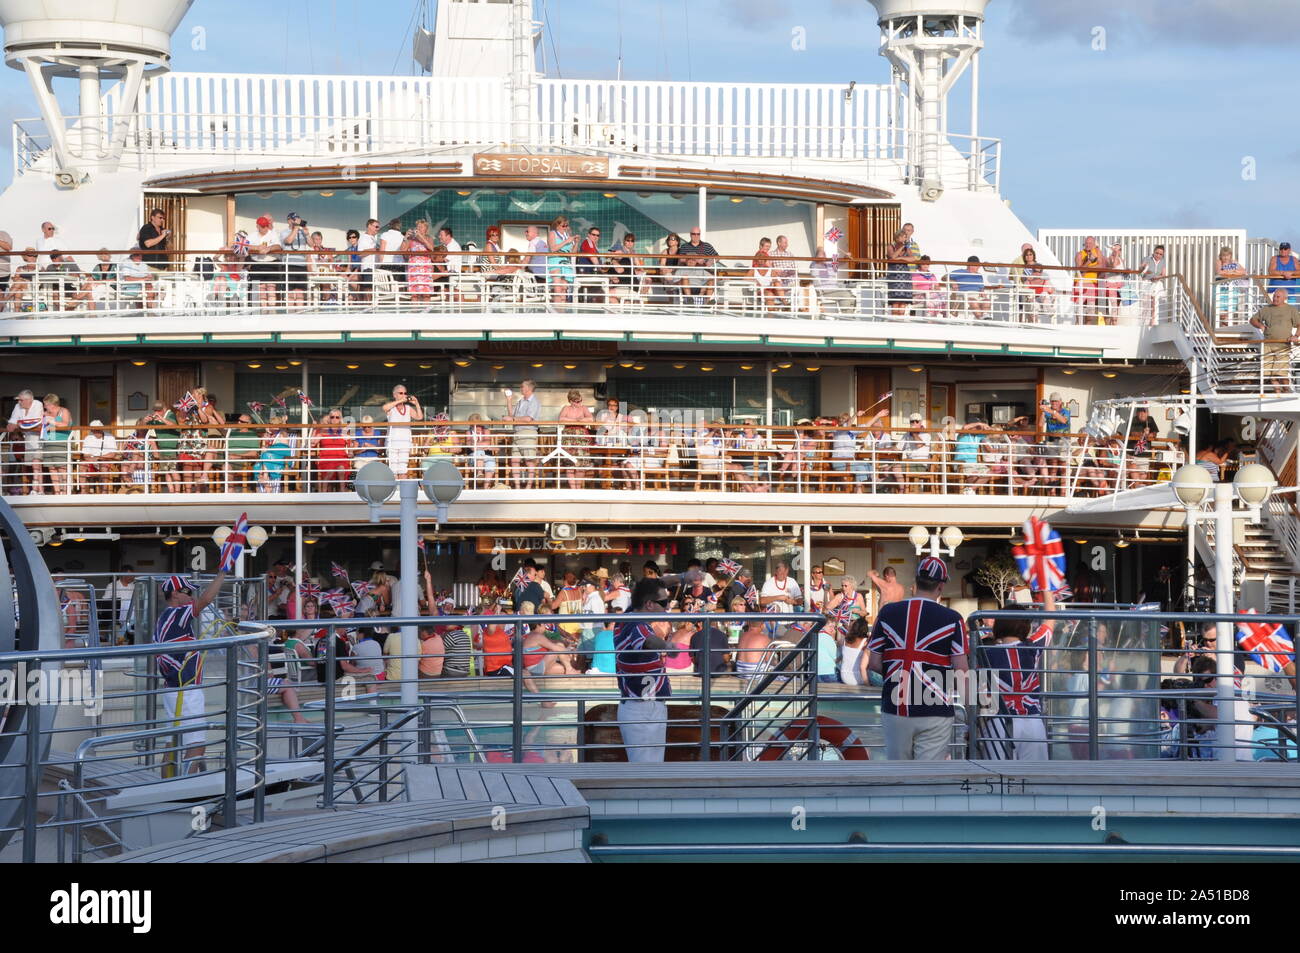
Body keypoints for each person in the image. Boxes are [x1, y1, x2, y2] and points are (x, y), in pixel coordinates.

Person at [868, 557, 970, 761]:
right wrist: (973, 713)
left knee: (898, 775)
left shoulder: (887, 612)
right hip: (935, 708)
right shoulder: (953, 619)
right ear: (941, 586)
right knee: (928, 777)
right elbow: (961, 673)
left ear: (915, 582)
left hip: (895, 706)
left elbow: (874, 663)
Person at [153, 570, 227, 775]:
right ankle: (186, 789)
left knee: (173, 742)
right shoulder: (177, 614)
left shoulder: (164, 618)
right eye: (186, 591)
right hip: (186, 689)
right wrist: (222, 573)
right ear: (175, 594)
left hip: (172, 688)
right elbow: (206, 599)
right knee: (196, 744)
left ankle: (167, 787)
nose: (190, 595)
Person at [976, 588, 1056, 760]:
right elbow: (1050, 622)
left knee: (997, 782)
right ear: (1025, 626)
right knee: (1034, 780)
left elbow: (983, 699)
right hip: (1032, 722)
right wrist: (1047, 587)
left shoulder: (984, 653)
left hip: (999, 723)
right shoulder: (1032, 648)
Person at [615, 578, 675, 762]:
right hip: (642, 706)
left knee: (649, 767)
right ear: (649, 604)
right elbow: (648, 641)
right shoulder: (637, 624)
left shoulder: (629, 615)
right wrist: (667, 646)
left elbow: (645, 586)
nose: (667, 608)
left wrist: (681, 578)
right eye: (664, 603)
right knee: (646, 768)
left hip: (641, 704)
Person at [1249, 288, 1300, 393]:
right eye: (1274, 296)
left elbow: (1299, 325)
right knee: (1270, 373)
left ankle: (1286, 390)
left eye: (1278, 296)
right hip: (1268, 344)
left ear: (1285, 298)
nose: (1275, 298)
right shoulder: (1267, 309)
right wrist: (1260, 325)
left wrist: (1296, 336)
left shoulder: (1291, 310)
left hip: (1283, 345)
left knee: (1281, 373)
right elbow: (1252, 320)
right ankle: (1277, 392)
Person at [502, 379, 540, 489]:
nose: (521, 388)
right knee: (514, 461)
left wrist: (512, 418)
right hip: (517, 432)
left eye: (522, 386)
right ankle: (518, 487)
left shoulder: (534, 402)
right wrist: (509, 400)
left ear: (528, 388)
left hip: (528, 432)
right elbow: (511, 415)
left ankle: (528, 487)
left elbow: (528, 419)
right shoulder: (521, 401)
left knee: (529, 461)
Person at [556, 389, 594, 489]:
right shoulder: (566, 408)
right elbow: (561, 419)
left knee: (580, 465)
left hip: (581, 438)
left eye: (580, 400)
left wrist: (576, 421)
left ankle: (578, 489)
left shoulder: (584, 408)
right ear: (571, 401)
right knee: (570, 465)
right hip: (569, 439)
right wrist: (577, 420)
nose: (580, 403)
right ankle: (573, 489)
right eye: (577, 401)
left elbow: (590, 419)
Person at [6, 389, 42, 494]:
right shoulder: (18, 406)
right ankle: (40, 490)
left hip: (39, 439)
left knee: (36, 464)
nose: (19, 402)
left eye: (21, 400)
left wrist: (18, 424)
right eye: (18, 400)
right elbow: (12, 422)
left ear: (29, 400)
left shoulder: (37, 404)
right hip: (28, 439)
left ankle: (35, 489)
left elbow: (34, 421)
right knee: (33, 465)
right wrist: (14, 424)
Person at [383, 383, 423, 477]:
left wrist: (416, 403)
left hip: (405, 442)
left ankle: (401, 490)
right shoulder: (391, 408)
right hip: (392, 442)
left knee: (402, 469)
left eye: (405, 393)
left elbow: (419, 417)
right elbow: (384, 408)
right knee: (392, 469)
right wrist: (399, 401)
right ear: (394, 395)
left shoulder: (408, 408)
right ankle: (394, 491)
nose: (403, 395)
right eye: (400, 393)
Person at [810, 246, 855, 314]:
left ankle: (850, 316)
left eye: (824, 253)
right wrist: (821, 252)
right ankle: (846, 317)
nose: (824, 256)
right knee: (845, 295)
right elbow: (818, 259)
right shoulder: (814, 265)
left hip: (834, 289)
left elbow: (842, 262)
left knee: (853, 297)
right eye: (822, 254)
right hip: (824, 292)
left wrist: (846, 257)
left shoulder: (829, 263)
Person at [79, 419, 120, 492]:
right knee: (82, 465)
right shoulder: (88, 438)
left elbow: (112, 454)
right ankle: (83, 491)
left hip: (105, 461)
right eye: (94, 430)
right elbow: (85, 455)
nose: (96, 432)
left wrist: (98, 458)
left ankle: (104, 491)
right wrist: (92, 459)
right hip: (91, 461)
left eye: (98, 430)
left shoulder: (110, 437)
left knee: (103, 465)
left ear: (102, 429)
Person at [547, 215, 577, 304]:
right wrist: (566, 241)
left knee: (564, 288)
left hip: (566, 263)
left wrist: (576, 243)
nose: (566, 227)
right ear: (557, 225)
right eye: (563, 225)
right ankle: (557, 312)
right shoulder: (553, 233)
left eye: (567, 225)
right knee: (558, 289)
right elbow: (553, 249)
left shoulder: (567, 235)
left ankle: (562, 311)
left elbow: (573, 253)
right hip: (555, 261)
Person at [1266, 241, 1298, 305]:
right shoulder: (1274, 258)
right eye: (1281, 249)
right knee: (1273, 312)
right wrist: (1283, 273)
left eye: (1285, 249)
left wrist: (1291, 273)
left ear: (1289, 250)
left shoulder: (1294, 259)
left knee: (1289, 312)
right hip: (1274, 292)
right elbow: (1271, 271)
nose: (1283, 250)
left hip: (1290, 293)